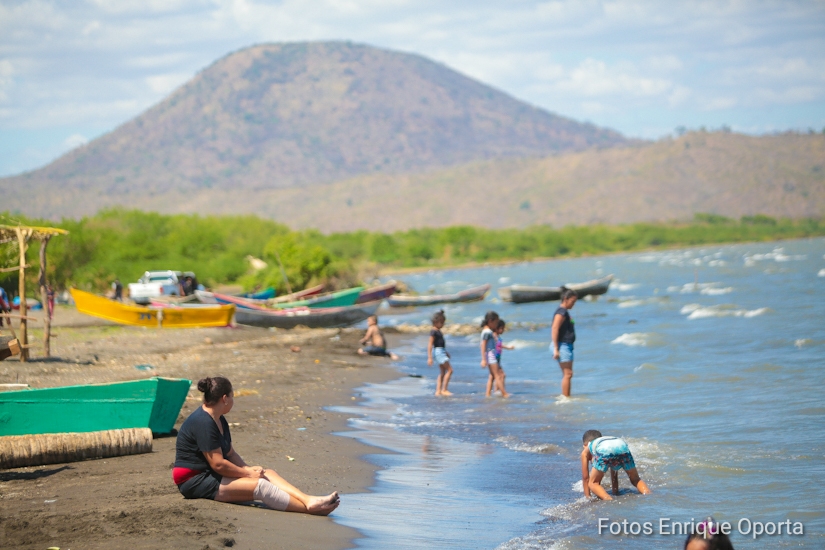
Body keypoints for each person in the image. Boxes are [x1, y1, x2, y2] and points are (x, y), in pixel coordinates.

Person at [173, 376, 340, 515]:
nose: (233, 400)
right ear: (225, 398)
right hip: (194, 481)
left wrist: (250, 469)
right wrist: (246, 473)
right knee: (261, 487)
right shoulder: (203, 422)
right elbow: (218, 464)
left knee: (268, 474)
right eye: (232, 396)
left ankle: (307, 499)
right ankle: (309, 509)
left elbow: (230, 453)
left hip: (209, 474)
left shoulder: (219, 419)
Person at [581, 429, 651, 501]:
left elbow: (586, 478)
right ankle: (648, 495)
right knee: (635, 479)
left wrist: (588, 497)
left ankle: (609, 499)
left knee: (593, 483)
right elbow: (614, 469)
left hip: (605, 450)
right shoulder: (606, 441)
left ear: (585, 445)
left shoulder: (588, 448)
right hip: (622, 445)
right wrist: (615, 491)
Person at [551, 288, 577, 397]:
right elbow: (555, 328)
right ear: (565, 299)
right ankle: (566, 398)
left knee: (568, 374)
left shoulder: (565, 312)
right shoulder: (561, 312)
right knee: (568, 374)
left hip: (566, 345)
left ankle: (566, 396)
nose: (573, 304)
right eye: (572, 301)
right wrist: (556, 348)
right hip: (562, 345)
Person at [480, 311, 509, 398]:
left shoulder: (487, 331)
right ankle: (504, 393)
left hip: (490, 355)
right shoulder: (487, 332)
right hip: (490, 355)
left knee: (493, 375)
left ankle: (488, 394)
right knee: (497, 375)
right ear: (490, 321)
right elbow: (483, 345)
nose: (496, 325)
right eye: (495, 323)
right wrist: (483, 359)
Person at [427, 310, 453, 396]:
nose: (443, 325)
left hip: (441, 351)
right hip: (438, 352)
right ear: (435, 322)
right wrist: (429, 357)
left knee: (443, 371)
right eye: (441, 322)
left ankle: (438, 390)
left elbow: (440, 344)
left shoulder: (438, 331)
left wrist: (445, 352)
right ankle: (444, 389)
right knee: (450, 370)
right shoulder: (434, 332)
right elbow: (430, 344)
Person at [486, 319, 514, 397]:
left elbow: (499, 345)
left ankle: (493, 392)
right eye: (502, 328)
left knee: (493, 376)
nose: (503, 330)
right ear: (497, 328)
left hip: (497, 359)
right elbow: (491, 345)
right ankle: (500, 391)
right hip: (494, 358)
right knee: (501, 375)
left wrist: (508, 347)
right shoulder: (494, 335)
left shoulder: (497, 336)